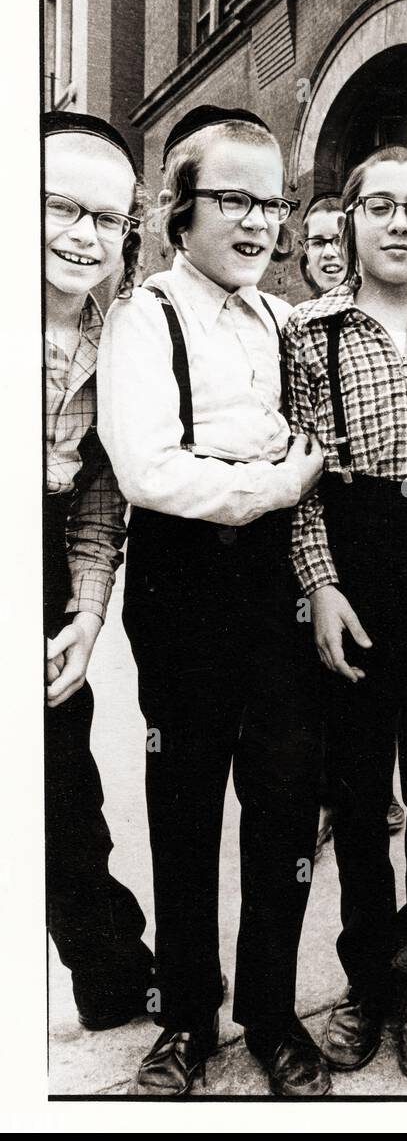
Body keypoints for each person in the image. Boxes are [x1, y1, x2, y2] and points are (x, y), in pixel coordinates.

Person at [97, 105, 327, 1098]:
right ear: (175, 212)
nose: (257, 221)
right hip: (182, 579)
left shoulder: (285, 320)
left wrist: (281, 482)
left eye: (270, 201)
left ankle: (271, 1015)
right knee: (185, 801)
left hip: (272, 579)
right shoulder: (142, 318)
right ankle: (189, 1013)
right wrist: (276, 477)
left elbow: (318, 433)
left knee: (282, 803)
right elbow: (150, 470)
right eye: (232, 198)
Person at [285, 145, 407, 1082]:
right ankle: (366, 979)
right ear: (351, 222)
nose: (401, 224)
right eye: (381, 207)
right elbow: (302, 483)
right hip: (355, 583)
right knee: (361, 800)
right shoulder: (310, 335)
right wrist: (320, 584)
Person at [43, 110, 155, 1032]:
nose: (85, 236)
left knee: (62, 792)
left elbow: (96, 500)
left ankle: (115, 973)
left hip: (47, 562)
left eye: (107, 218)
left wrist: (84, 615)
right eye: (59, 207)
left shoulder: (116, 337)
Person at [301, 193, 407, 849]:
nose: (326, 253)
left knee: (374, 668)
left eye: (331, 239)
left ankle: (372, 788)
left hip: (379, 531)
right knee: (320, 674)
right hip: (315, 524)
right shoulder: (298, 330)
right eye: (312, 242)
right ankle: (326, 794)